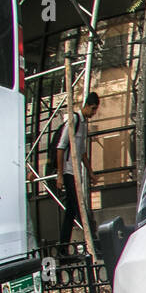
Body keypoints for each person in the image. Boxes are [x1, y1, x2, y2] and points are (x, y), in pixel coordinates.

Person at [55, 91, 99, 256]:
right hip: (68, 172)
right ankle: (93, 243)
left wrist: (90, 172)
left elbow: (82, 153)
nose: (94, 113)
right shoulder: (74, 120)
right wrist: (60, 175)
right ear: (87, 105)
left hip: (75, 173)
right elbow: (61, 147)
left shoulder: (84, 124)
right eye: (93, 108)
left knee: (71, 211)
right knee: (78, 209)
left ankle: (63, 251)